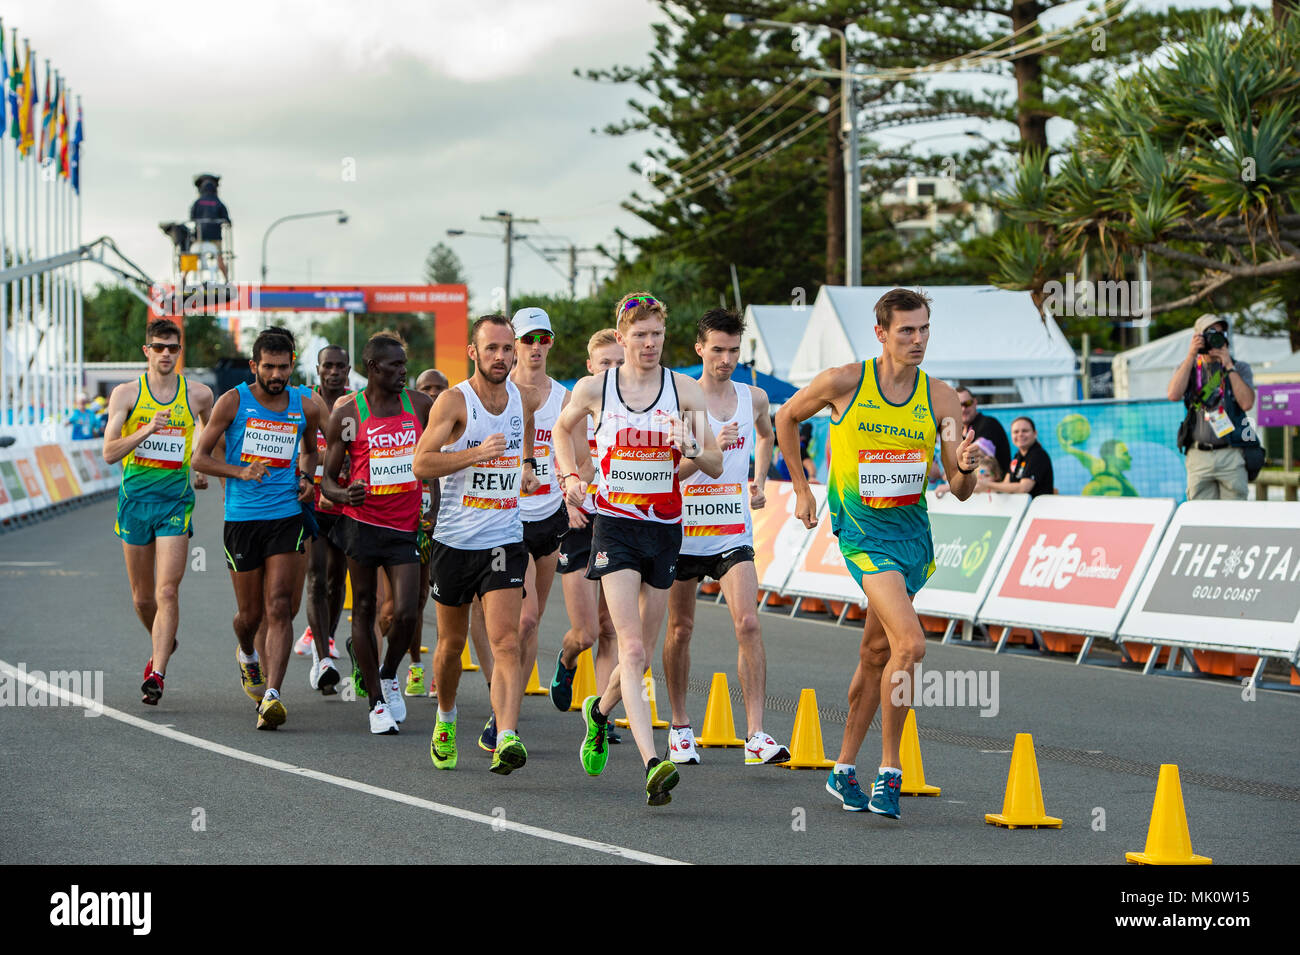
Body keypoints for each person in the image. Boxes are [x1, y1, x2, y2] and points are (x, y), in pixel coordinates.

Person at [775, 287, 980, 819]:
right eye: (907, 330)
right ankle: (891, 771)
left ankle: (842, 768)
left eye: (924, 329)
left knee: (875, 655)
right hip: (862, 534)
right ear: (882, 334)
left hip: (912, 538)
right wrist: (801, 487)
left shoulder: (943, 399)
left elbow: (958, 487)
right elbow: (786, 418)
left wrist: (966, 463)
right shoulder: (846, 381)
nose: (917, 340)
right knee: (910, 646)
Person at [554, 291, 723, 806]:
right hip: (615, 528)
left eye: (657, 335)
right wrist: (568, 477)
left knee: (642, 656)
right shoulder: (594, 388)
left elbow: (714, 463)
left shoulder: (684, 391)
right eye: (640, 335)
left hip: (666, 529)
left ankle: (599, 714)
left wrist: (690, 444)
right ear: (621, 337)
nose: (649, 344)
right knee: (628, 647)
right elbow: (563, 430)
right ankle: (653, 763)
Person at [661, 308, 789, 766]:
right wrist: (710, 446)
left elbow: (766, 434)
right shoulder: (679, 398)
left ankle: (755, 733)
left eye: (734, 350)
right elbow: (670, 474)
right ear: (699, 348)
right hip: (683, 530)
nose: (726, 359)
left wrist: (757, 478)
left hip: (731, 529)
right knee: (681, 628)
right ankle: (679, 727)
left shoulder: (753, 397)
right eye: (717, 349)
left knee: (749, 623)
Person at [412, 315, 540, 774]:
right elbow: (422, 465)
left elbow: (522, 444)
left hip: (503, 538)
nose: (502, 357)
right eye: (493, 349)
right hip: (454, 542)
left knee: (506, 640)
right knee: (451, 644)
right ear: (473, 352)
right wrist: (475, 455)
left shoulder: (520, 399)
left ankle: (506, 733)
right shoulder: (453, 402)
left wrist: (525, 467)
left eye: (509, 349)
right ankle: (446, 719)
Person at [192, 327, 320, 729]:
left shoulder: (304, 404)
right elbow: (200, 458)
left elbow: (314, 449)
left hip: (285, 515)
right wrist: (238, 471)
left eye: (283, 367)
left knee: (280, 605)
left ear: (292, 364)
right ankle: (247, 653)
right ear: (254, 366)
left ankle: (273, 695)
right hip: (243, 520)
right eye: (269, 367)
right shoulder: (233, 402)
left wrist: (308, 478)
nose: (277, 374)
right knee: (249, 615)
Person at [321, 332, 434, 735]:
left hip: (405, 526)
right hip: (363, 524)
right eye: (395, 366)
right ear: (372, 368)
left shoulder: (420, 406)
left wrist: (433, 504)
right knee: (365, 608)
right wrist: (342, 493)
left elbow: (433, 458)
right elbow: (328, 483)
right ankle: (376, 703)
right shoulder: (348, 416)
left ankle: (388, 673)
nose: (404, 372)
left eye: (405, 365)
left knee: (406, 611)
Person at [473, 306, 572, 753]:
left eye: (542, 339)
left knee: (531, 625)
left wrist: (577, 484)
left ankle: (506, 708)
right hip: (504, 519)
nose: (535, 348)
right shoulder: (497, 391)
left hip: (549, 516)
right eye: (526, 340)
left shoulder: (566, 398)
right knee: (518, 620)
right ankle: (502, 712)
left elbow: (581, 452)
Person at [102, 318, 214, 705]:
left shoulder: (198, 394)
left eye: (173, 348)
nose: (166, 354)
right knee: (142, 599)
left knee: (167, 590)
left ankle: (158, 670)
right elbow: (109, 452)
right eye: (159, 347)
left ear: (180, 352)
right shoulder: (126, 394)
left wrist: (200, 466)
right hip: (134, 502)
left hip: (175, 503)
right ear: (146, 351)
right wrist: (147, 429)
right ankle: (163, 638)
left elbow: (207, 435)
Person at [548, 329, 622, 742]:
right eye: (605, 363)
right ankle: (568, 657)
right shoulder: (578, 403)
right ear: (590, 367)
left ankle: (601, 713)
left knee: (611, 629)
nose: (613, 371)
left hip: (614, 525)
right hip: (578, 522)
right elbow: (569, 457)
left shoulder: (636, 406)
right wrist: (572, 497)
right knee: (588, 632)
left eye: (619, 363)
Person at [293, 345, 351, 694]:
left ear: (347, 371)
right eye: (327, 365)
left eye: (339, 366)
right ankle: (322, 658)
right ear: (317, 369)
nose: (333, 371)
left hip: (344, 506)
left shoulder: (355, 406)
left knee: (336, 582)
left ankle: (327, 640)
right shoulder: (305, 404)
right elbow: (300, 453)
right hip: (312, 503)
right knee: (315, 578)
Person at [1166, 313, 1256, 500]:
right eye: (1210, 333)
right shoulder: (1188, 368)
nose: (1215, 337)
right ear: (1198, 337)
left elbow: (1247, 403)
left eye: (1220, 333)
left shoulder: (1240, 368)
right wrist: (1191, 354)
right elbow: (1173, 395)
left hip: (1231, 453)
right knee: (1201, 517)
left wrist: (1229, 365)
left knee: (1235, 517)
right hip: (1199, 455)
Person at [401, 368, 450, 698]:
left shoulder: (458, 424)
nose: (432, 394)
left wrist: (438, 508)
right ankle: (415, 665)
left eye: (438, 388)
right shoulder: (409, 426)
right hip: (411, 523)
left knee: (447, 602)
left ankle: (440, 673)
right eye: (425, 388)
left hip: (451, 525)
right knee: (413, 601)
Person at [979, 416, 1054, 497]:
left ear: (1035, 434)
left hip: (1037, 508)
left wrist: (987, 485)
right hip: (1020, 507)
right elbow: (1005, 484)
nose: (1020, 434)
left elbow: (1023, 488)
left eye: (1025, 431)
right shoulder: (1017, 456)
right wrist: (977, 488)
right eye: (1016, 432)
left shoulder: (1038, 455)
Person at [955, 387, 1011, 477]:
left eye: (967, 403)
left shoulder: (989, 424)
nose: (963, 409)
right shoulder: (959, 431)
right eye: (958, 405)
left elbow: (976, 454)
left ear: (975, 402)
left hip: (995, 486)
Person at [189, 173, 230, 281]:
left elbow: (192, 217)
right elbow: (226, 219)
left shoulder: (197, 202)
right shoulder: (218, 202)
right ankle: (226, 279)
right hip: (215, 238)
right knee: (220, 257)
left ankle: (184, 277)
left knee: (191, 254)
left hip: (199, 237)